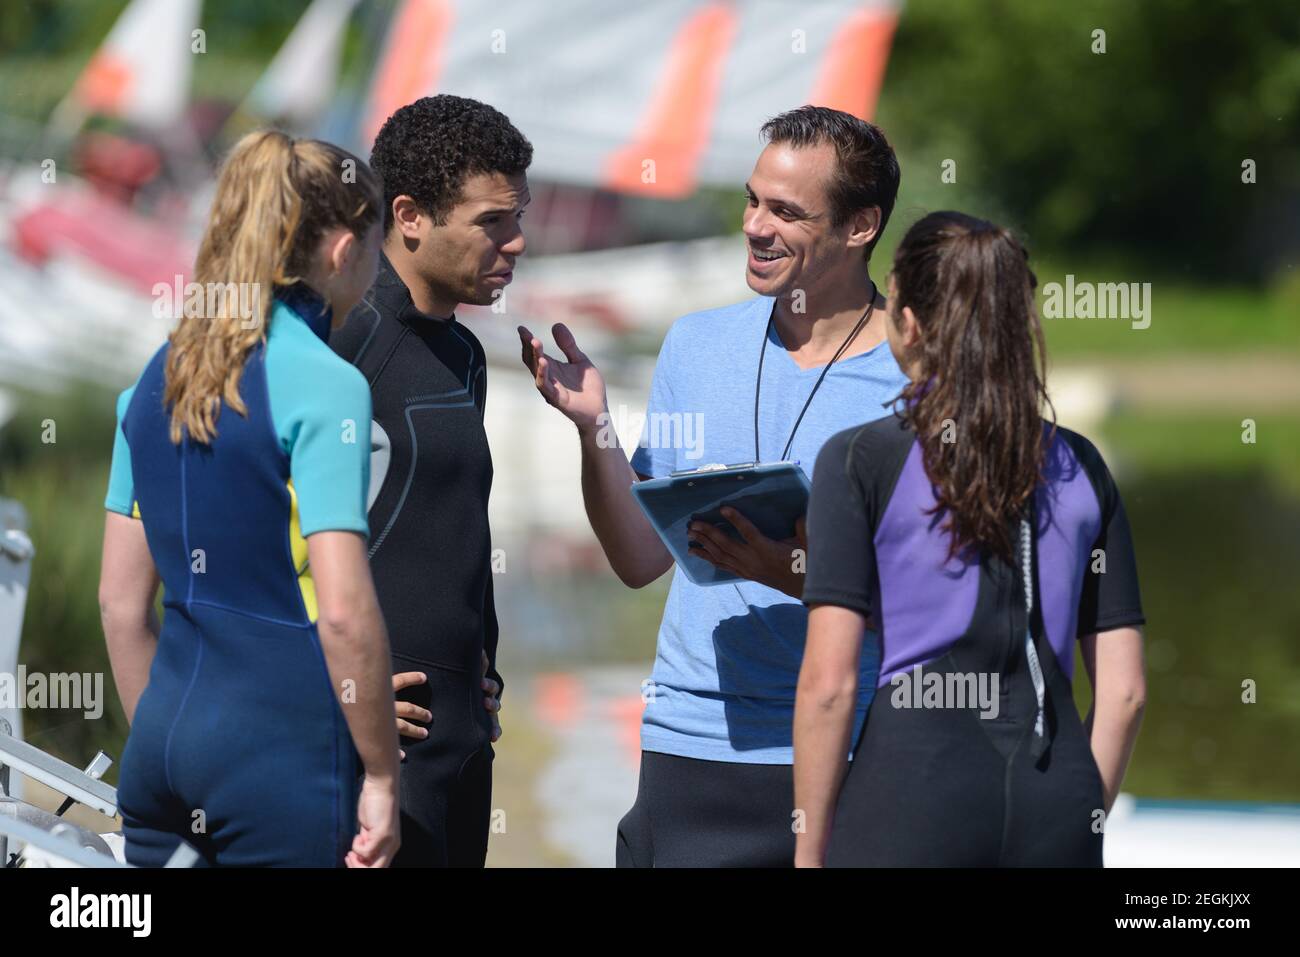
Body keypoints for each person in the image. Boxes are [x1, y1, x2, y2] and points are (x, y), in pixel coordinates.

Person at [519, 105, 910, 866]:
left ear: (860, 226)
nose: (755, 226)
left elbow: (943, 614)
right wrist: (593, 427)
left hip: (850, 751)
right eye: (752, 199)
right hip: (689, 748)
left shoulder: (915, 376)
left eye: (787, 211)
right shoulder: (696, 345)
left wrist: (797, 575)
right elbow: (638, 558)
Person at [794, 211, 1147, 867]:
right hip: (1057, 807)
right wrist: (1074, 814)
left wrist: (807, 855)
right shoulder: (1083, 464)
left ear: (911, 323)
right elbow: (1124, 693)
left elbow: (829, 684)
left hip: (911, 803)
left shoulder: (859, 459)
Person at [99, 130, 401, 867]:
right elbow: (341, 612)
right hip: (278, 755)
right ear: (341, 250)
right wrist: (385, 773)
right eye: (375, 244)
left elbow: (118, 602)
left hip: (162, 745)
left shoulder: (158, 376)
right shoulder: (327, 383)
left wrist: (174, 737)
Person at [329, 94, 530, 867]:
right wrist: (332, 679)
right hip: (371, 743)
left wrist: (483, 668)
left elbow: (451, 537)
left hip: (459, 748)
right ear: (409, 215)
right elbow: (259, 529)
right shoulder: (347, 341)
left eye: (520, 217)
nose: (516, 242)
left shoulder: (467, 357)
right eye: (492, 221)